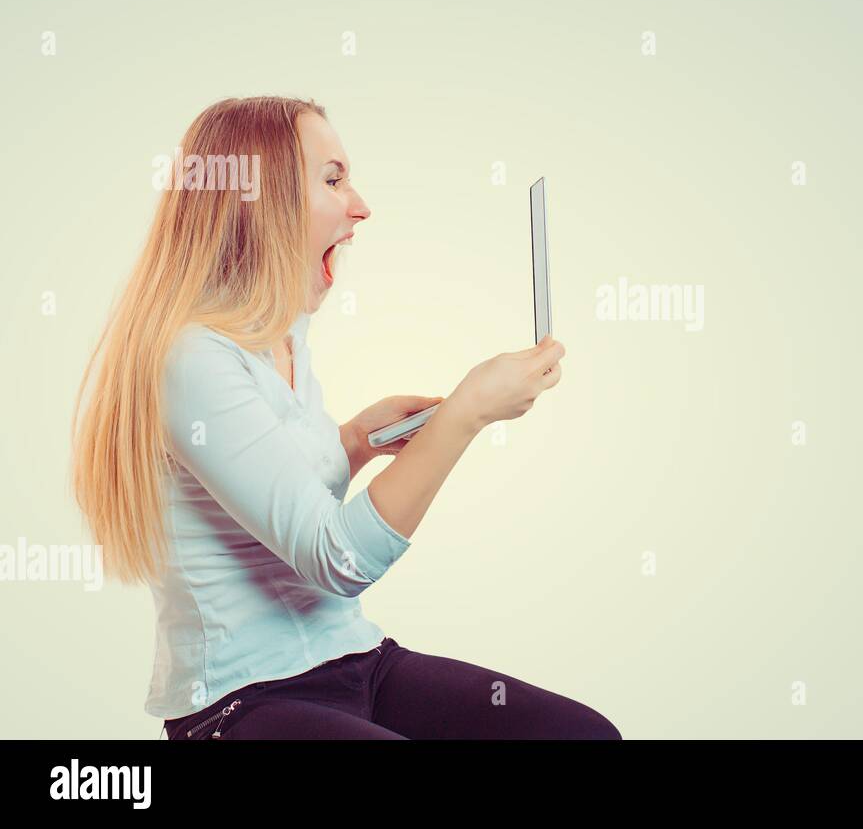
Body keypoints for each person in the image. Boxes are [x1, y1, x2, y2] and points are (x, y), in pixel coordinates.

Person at [70, 96, 619, 739]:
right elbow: (336, 557)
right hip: (240, 704)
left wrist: (356, 441)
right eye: (333, 180)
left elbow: (284, 496)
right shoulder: (191, 359)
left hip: (355, 662)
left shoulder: (283, 335)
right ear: (263, 199)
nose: (360, 207)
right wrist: (465, 414)